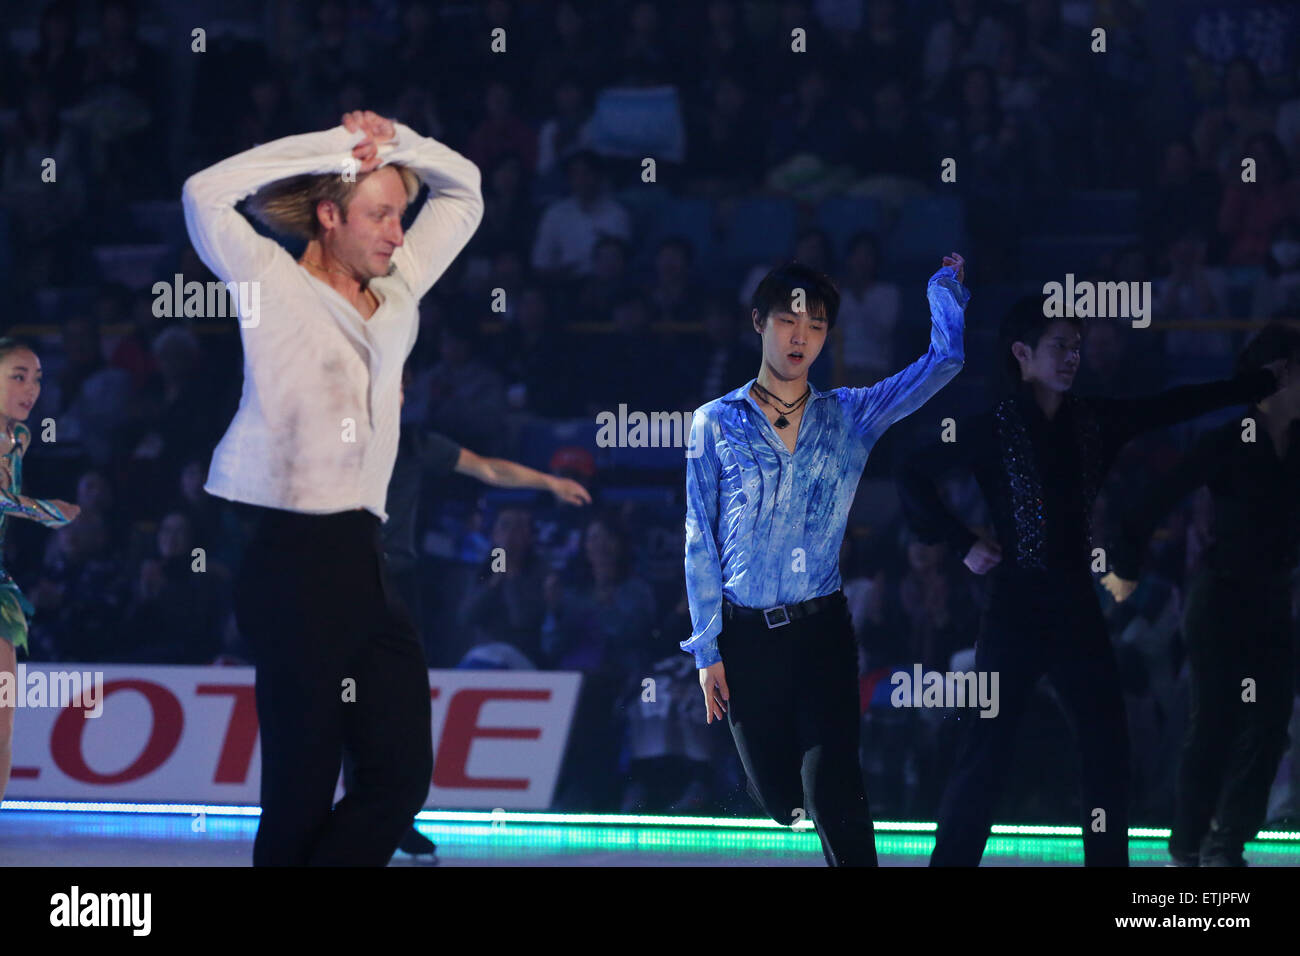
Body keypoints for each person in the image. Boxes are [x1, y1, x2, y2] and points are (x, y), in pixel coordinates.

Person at [183, 109, 482, 865]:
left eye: (401, 216)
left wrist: (396, 144)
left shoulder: (401, 285)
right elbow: (203, 193)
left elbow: (468, 191)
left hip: (365, 551)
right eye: (380, 214)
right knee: (301, 785)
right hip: (287, 547)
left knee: (400, 774)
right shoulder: (270, 281)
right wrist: (335, 149)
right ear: (328, 213)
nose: (397, 233)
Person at [895, 296, 1286, 867]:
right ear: (1023, 354)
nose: (1073, 357)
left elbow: (1171, 405)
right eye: (1061, 346)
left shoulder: (1095, 420)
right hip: (1015, 609)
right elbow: (911, 472)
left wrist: (1250, 384)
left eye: (1077, 347)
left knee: (1107, 747)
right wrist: (963, 542)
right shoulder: (989, 429)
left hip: (1076, 605)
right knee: (987, 751)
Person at [685, 253, 970, 866]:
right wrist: (707, 650)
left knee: (831, 785)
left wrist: (944, 292)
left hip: (822, 632)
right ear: (758, 321)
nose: (801, 336)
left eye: (816, 325)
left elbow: (943, 363)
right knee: (784, 802)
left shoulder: (850, 415)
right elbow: (698, 539)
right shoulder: (715, 423)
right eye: (790, 320)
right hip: (745, 638)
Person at [347, 370, 591, 859]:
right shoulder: (338, 441)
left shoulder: (415, 442)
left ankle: (395, 817)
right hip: (345, 583)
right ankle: (359, 819)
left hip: (399, 587)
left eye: (401, 388)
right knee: (355, 707)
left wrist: (548, 482)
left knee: (404, 711)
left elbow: (486, 469)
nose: (396, 396)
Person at [1102, 323, 1300, 866]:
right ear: (1280, 375)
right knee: (1214, 723)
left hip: (1273, 603)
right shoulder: (1229, 441)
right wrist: (1125, 569)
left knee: (1268, 723)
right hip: (1221, 601)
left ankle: (1227, 841)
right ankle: (1188, 844)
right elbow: (1149, 503)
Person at [0, 338, 81, 801]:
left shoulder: (21, 437)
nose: (31, 388)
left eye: (37, 378)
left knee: (3, 720)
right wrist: (47, 511)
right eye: (17, 375)